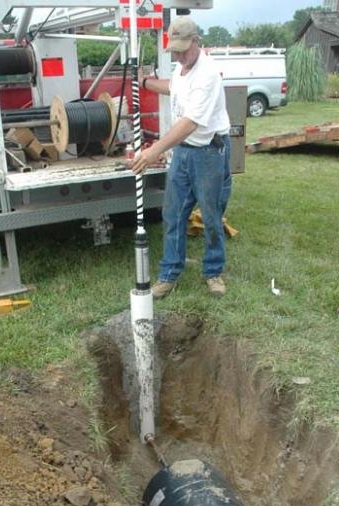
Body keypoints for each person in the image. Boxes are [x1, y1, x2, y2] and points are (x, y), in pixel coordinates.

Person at [132, 16, 231, 299]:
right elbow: (173, 87)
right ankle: (169, 274)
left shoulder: (208, 74)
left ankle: (213, 271)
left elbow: (189, 123)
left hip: (208, 153)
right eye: (174, 50)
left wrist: (154, 151)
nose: (178, 55)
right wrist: (147, 82)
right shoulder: (181, 68)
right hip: (184, 152)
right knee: (173, 213)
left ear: (197, 42)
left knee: (211, 215)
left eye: (183, 50)